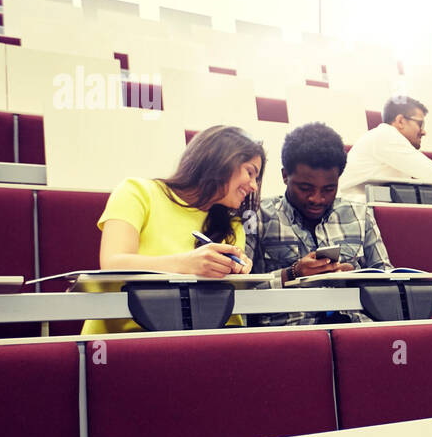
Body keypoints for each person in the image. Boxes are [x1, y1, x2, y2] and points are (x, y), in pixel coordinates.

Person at [82, 124, 262, 334]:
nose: (254, 186)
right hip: (126, 337)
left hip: (205, 336)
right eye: (250, 173)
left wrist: (235, 272)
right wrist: (187, 264)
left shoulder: (233, 226)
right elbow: (113, 264)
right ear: (219, 160)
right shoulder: (137, 192)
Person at [249, 122, 393, 325]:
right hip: (291, 335)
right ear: (284, 176)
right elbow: (239, 292)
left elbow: (389, 282)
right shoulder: (256, 216)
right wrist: (290, 275)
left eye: (328, 189)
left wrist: (357, 279)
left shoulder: (360, 214)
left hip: (356, 330)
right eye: (305, 188)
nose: (317, 199)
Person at [339, 95, 432, 202]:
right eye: (420, 124)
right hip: (349, 214)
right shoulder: (386, 136)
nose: (424, 131)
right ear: (400, 121)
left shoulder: (386, 138)